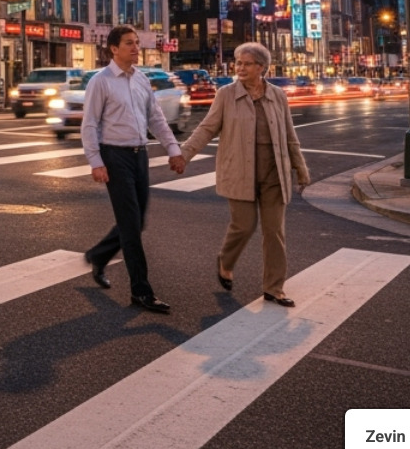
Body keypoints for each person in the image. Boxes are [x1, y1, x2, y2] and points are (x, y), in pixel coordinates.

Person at [178, 42, 310, 307]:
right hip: (240, 172)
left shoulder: (277, 96)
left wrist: (301, 168)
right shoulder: (226, 95)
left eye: (246, 63)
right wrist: (184, 154)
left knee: (275, 233)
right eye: (238, 62)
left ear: (261, 67)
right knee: (244, 225)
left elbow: (289, 136)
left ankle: (274, 288)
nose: (240, 68)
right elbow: (206, 128)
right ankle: (225, 261)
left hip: (274, 174)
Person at [81, 26, 187, 313]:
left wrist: (173, 149)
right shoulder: (100, 82)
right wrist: (96, 162)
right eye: (129, 43)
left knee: (137, 222)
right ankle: (141, 291)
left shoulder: (141, 79)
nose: (135, 47)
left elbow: (156, 118)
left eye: (137, 43)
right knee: (131, 226)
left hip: (140, 156)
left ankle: (98, 256)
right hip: (115, 157)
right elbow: (89, 124)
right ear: (114, 48)